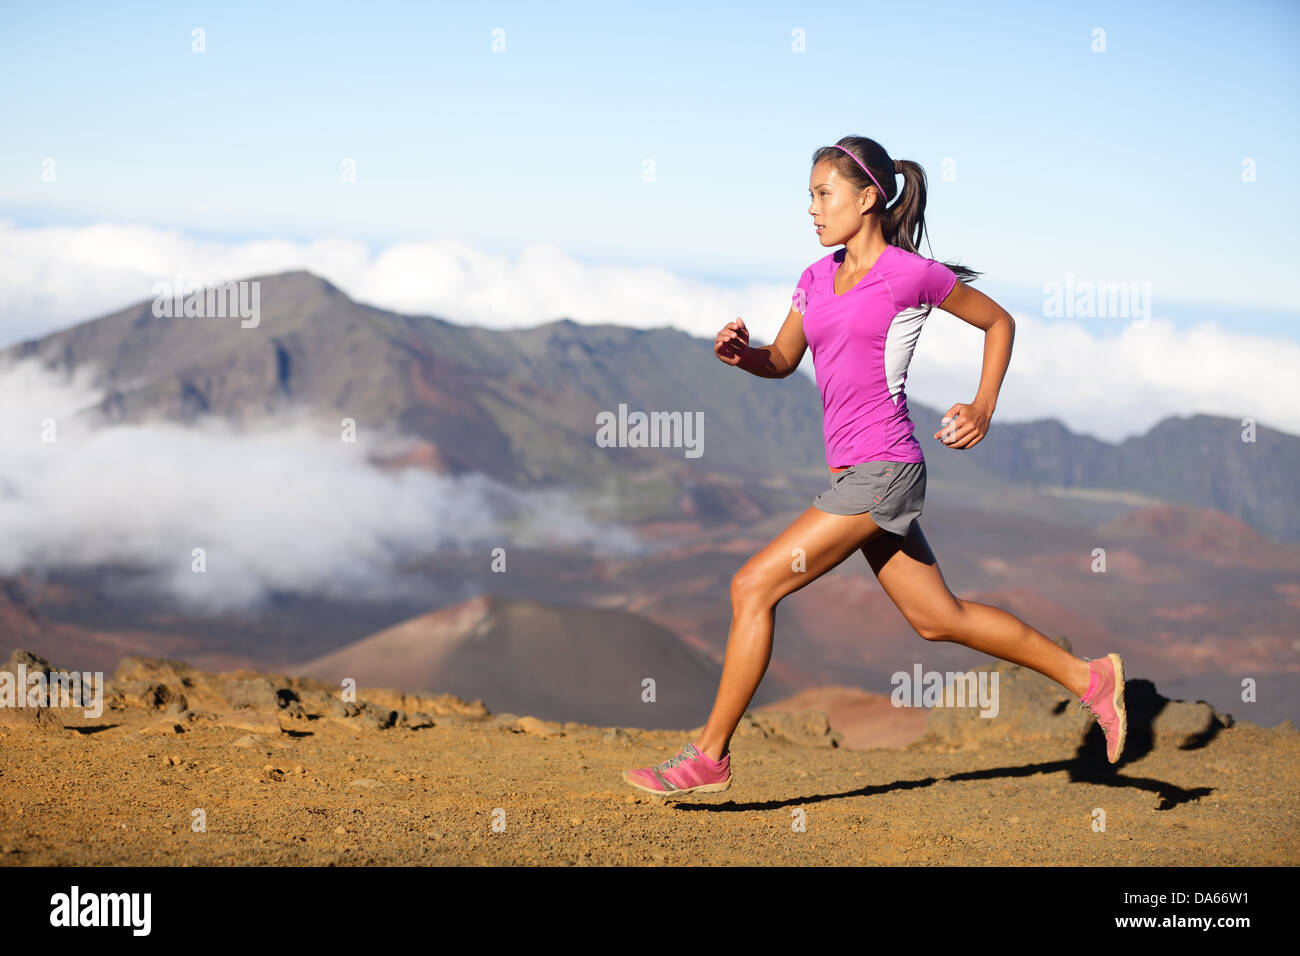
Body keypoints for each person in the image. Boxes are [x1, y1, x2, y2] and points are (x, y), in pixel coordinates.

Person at [622, 136, 1127, 797]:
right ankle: (1092, 680)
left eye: (822, 194)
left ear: (867, 199)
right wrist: (741, 353)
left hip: (886, 469)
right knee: (937, 618)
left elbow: (998, 323)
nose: (811, 208)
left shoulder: (911, 275)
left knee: (753, 587)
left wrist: (982, 405)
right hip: (854, 475)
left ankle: (709, 757)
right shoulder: (813, 279)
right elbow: (782, 360)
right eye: (808, 196)